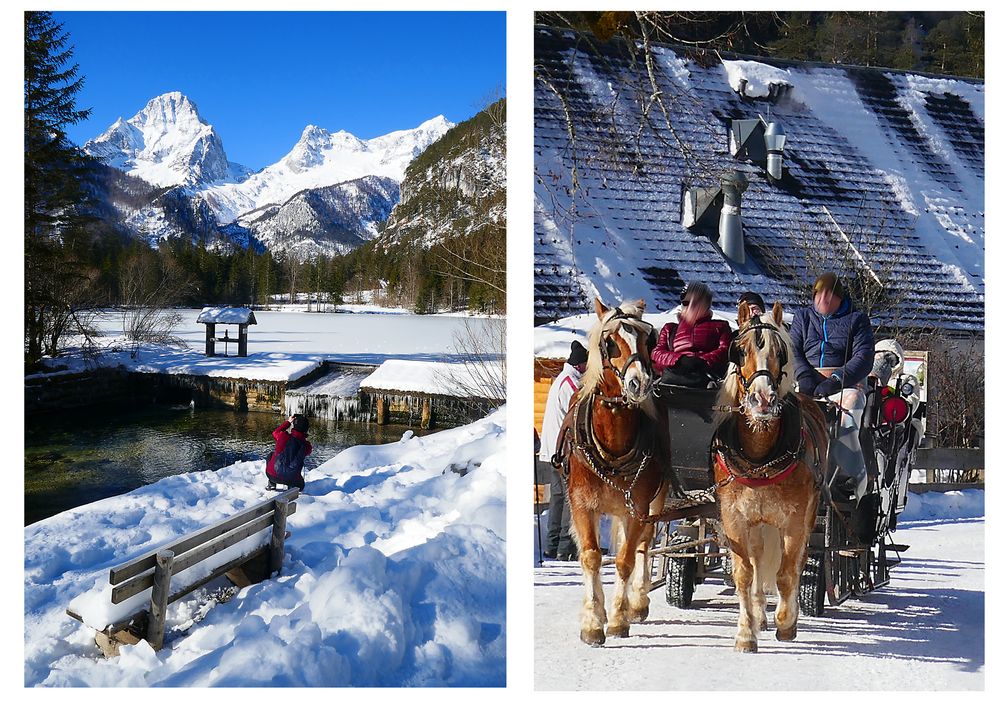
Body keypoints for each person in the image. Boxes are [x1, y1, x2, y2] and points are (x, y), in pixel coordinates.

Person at [790, 272, 874, 498]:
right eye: (819, 295)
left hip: (843, 385)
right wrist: (804, 375)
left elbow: (863, 357)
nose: (823, 300)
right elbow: (793, 349)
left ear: (839, 298)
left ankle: (847, 470)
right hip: (805, 383)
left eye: (829, 295)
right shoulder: (802, 317)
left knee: (853, 403)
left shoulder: (857, 320)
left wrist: (836, 379)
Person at [537, 340, 587, 561]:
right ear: (581, 365)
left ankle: (552, 544)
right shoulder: (570, 383)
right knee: (570, 497)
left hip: (553, 449)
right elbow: (576, 414)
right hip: (563, 450)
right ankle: (565, 546)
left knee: (558, 497)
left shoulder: (561, 379)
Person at [651, 281, 732, 387]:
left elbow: (726, 350)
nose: (690, 307)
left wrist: (702, 361)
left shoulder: (720, 326)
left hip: (708, 377)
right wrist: (679, 360)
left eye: (696, 303)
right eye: (685, 303)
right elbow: (656, 353)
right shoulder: (670, 329)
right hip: (673, 377)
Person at [265, 413, 312, 491]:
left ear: (294, 425)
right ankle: (291, 486)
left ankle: (272, 484)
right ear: (306, 429)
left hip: (272, 476)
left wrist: (288, 422)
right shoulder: (306, 445)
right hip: (291, 480)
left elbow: (275, 432)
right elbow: (308, 451)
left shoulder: (282, 436)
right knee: (301, 485)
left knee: (271, 455)